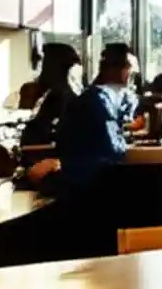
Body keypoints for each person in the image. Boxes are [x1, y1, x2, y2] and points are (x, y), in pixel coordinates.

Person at [53, 43, 140, 195]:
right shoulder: (99, 100)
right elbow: (115, 150)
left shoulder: (94, 96)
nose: (131, 75)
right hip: (91, 183)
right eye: (129, 68)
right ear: (114, 69)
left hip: (81, 177)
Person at [19, 43, 83, 147]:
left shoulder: (61, 97)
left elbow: (46, 131)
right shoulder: (49, 93)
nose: (42, 70)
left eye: (45, 64)